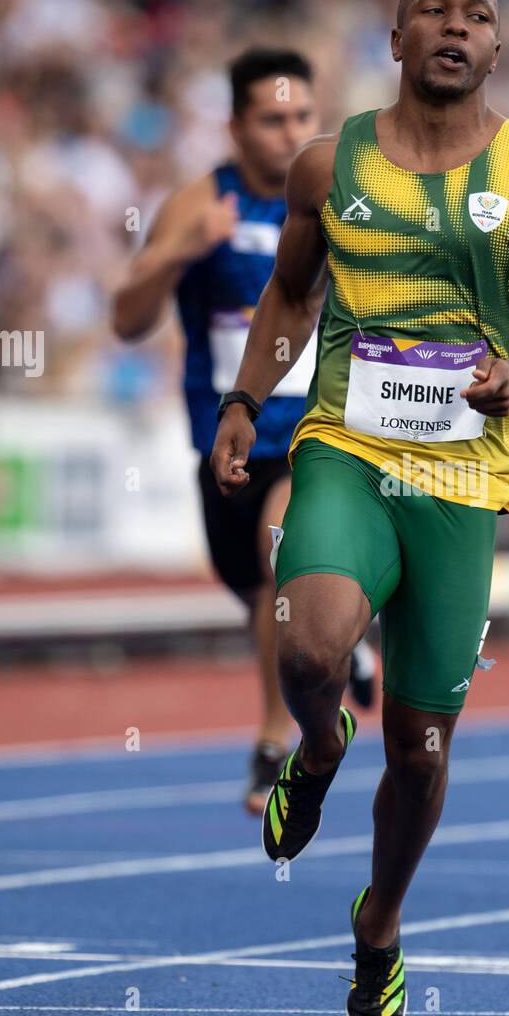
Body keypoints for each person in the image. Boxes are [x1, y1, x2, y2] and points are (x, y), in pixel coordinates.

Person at [210, 0, 509, 1016]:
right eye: (435, 9)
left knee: (422, 752)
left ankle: (377, 927)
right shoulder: (327, 166)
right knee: (309, 642)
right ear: (394, 37)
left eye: (477, 15)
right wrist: (246, 399)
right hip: (346, 446)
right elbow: (291, 293)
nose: (455, 26)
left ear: (496, 49)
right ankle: (317, 749)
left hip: (463, 479)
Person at [112, 47, 375, 814]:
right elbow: (128, 321)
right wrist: (179, 253)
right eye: (272, 119)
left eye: (302, 117)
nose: (290, 132)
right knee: (260, 586)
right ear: (234, 126)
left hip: (322, 435)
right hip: (228, 445)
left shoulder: (343, 200)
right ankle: (348, 637)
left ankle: (272, 742)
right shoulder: (201, 204)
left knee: (279, 554)